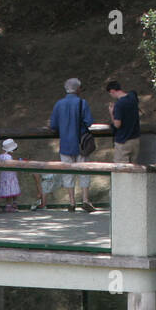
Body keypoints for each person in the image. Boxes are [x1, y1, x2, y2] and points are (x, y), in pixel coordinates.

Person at [49, 77, 95, 213]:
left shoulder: (59, 104)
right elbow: (89, 122)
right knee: (84, 172)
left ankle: (71, 202)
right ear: (78, 89)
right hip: (81, 144)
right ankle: (86, 200)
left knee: (67, 173)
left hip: (65, 144)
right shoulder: (82, 103)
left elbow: (53, 125)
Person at [106, 80, 140, 164]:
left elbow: (117, 125)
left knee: (121, 170)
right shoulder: (132, 97)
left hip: (123, 141)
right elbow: (133, 92)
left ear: (112, 91)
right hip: (135, 140)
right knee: (134, 168)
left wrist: (111, 113)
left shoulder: (119, 105)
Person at [0, 138, 21, 211]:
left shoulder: (0, 156)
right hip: (11, 175)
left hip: (4, 175)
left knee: (7, 190)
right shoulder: (9, 157)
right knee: (12, 189)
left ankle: (8, 205)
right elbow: (12, 165)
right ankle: (14, 203)